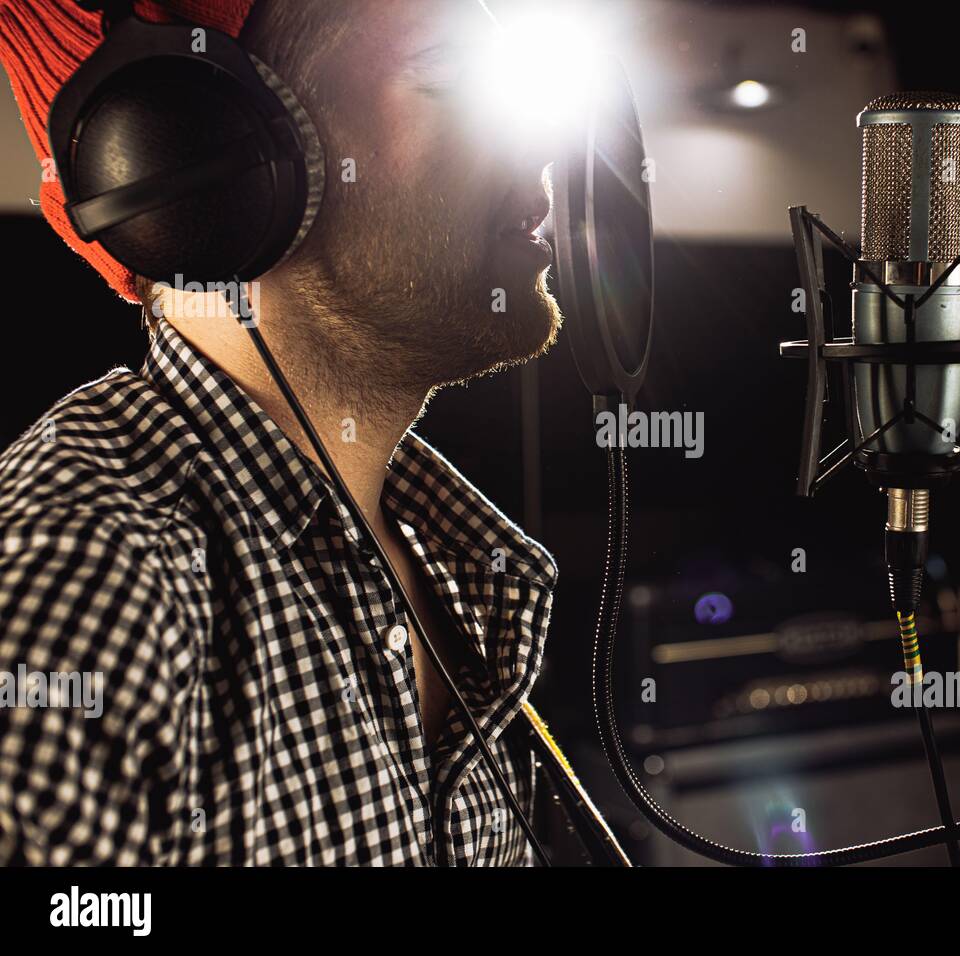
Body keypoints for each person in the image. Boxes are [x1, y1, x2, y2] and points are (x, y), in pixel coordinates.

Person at [0, 0, 562, 865]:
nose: (541, 149)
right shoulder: (81, 584)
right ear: (194, 150)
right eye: (447, 72)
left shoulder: (451, 571)